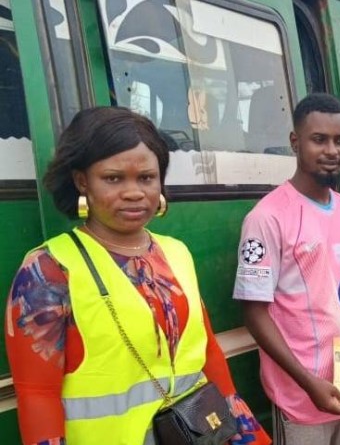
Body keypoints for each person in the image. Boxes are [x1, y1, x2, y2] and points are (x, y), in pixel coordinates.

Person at [4, 107, 270, 444]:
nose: (134, 192)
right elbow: (38, 395)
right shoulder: (48, 271)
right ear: (82, 180)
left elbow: (208, 353)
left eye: (146, 178)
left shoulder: (176, 252)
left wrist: (246, 433)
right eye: (113, 178)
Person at [233, 94, 340, 445]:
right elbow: (254, 312)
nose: (332, 151)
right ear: (295, 142)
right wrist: (307, 381)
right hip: (303, 395)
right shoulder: (266, 218)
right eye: (319, 139)